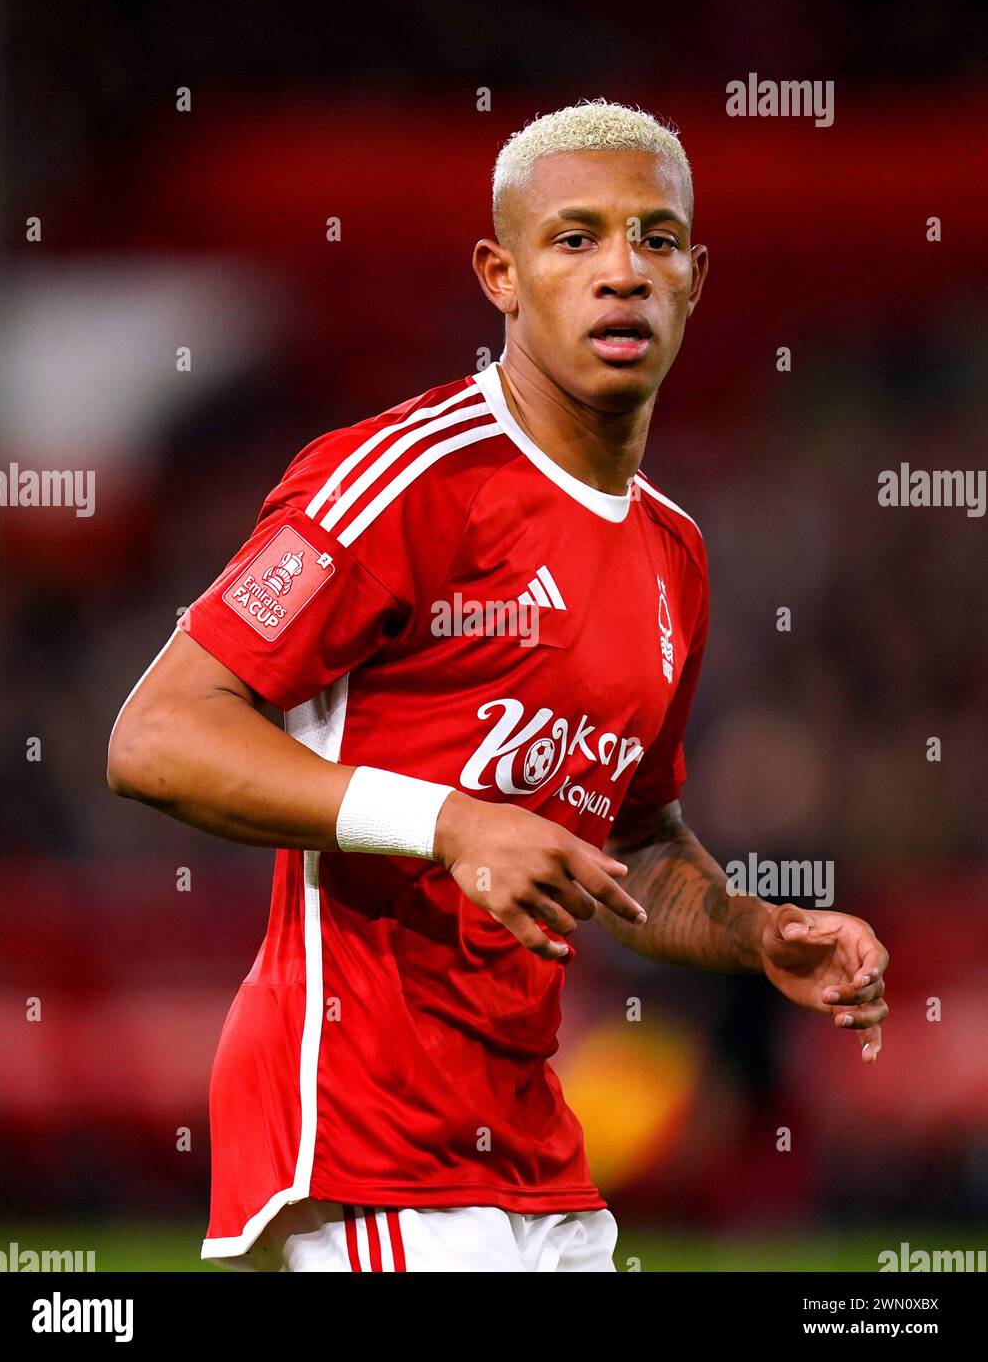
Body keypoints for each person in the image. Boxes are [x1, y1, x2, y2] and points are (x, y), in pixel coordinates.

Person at [107, 100, 889, 1273]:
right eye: (575, 239)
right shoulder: (402, 479)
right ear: (500, 275)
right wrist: (450, 821)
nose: (621, 272)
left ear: (695, 278)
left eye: (655, 239)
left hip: (527, 1145)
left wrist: (749, 928)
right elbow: (156, 735)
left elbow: (632, 840)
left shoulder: (672, 551)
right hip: (362, 1131)